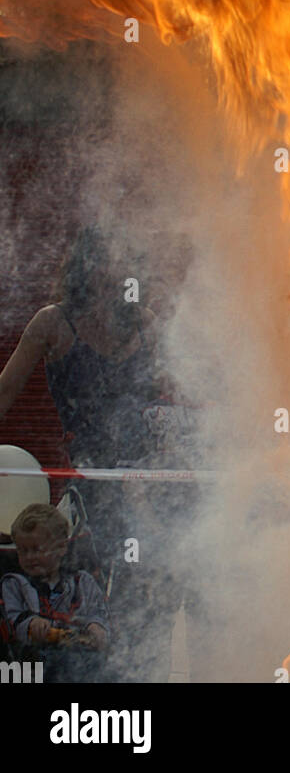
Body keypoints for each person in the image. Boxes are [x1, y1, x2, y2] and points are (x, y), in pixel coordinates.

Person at [0, 225, 173, 679]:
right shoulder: (52, 323)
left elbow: (173, 398)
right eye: (114, 257)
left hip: (147, 477)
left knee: (156, 575)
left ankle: (143, 672)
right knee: (105, 576)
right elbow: (3, 395)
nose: (124, 269)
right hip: (90, 478)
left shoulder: (146, 322)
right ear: (90, 263)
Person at [0, 502, 109, 682]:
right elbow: (13, 618)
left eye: (37, 550)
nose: (29, 557)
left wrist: (96, 626)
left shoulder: (83, 582)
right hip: (32, 662)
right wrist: (31, 623)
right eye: (23, 551)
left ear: (61, 547)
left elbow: (98, 612)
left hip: (80, 657)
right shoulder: (14, 584)